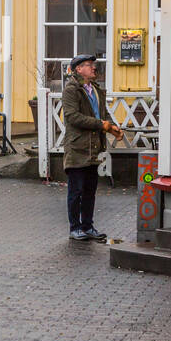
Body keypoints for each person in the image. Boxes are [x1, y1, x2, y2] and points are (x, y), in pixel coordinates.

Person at [61, 53, 121, 241]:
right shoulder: (71, 89)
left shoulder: (95, 89)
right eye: (89, 65)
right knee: (76, 191)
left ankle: (87, 226)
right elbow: (72, 117)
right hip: (77, 148)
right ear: (78, 69)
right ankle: (75, 228)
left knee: (89, 190)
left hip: (93, 148)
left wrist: (111, 127)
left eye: (93, 65)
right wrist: (101, 124)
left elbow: (102, 113)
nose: (94, 68)